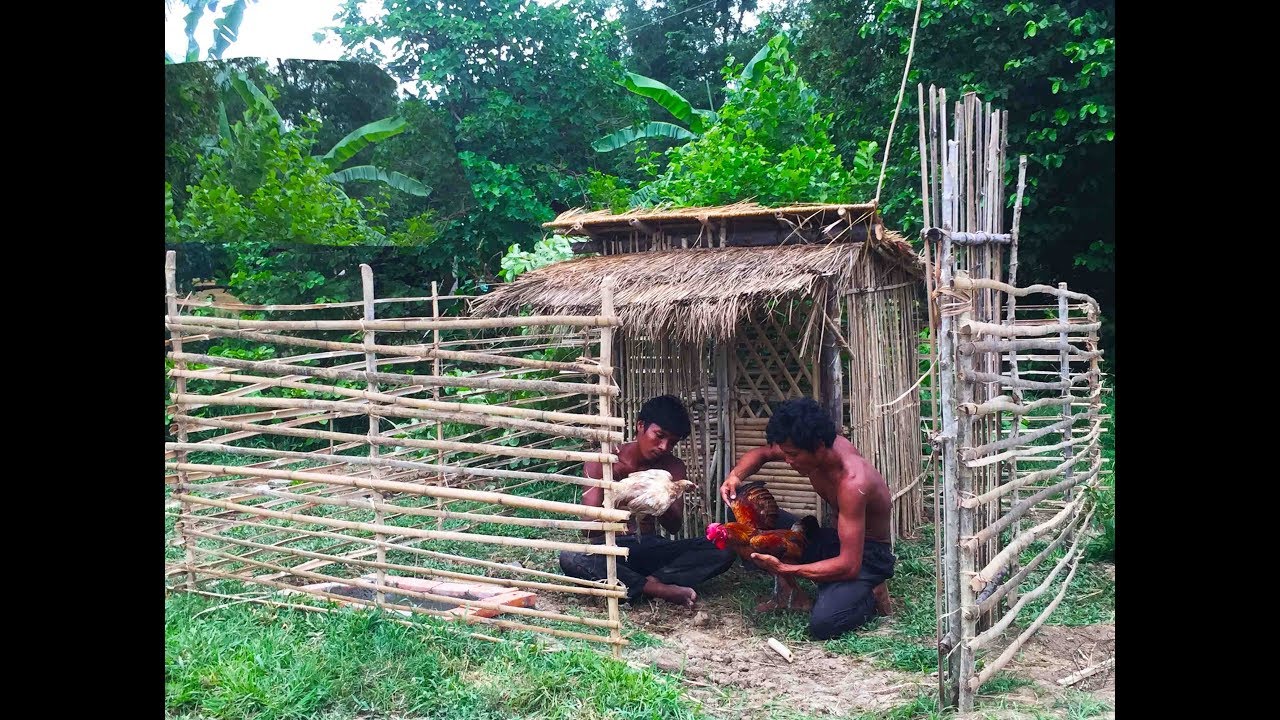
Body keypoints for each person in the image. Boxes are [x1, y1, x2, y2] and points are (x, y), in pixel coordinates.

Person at [719, 397, 895, 640]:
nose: (788, 461)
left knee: (824, 623)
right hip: (833, 540)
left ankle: (869, 592)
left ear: (819, 445)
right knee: (740, 518)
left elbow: (849, 564)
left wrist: (787, 568)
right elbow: (762, 453)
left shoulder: (853, 482)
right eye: (786, 453)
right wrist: (735, 477)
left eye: (793, 455)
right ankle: (795, 593)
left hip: (866, 556)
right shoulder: (806, 444)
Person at [560, 395, 735, 608]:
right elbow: (588, 530)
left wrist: (663, 494)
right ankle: (659, 589)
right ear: (640, 426)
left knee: (723, 548)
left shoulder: (672, 467)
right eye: (659, 436)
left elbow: (673, 526)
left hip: (650, 547)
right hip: (610, 550)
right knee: (571, 557)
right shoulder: (603, 462)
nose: (664, 446)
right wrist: (621, 503)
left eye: (672, 442)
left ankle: (644, 583)